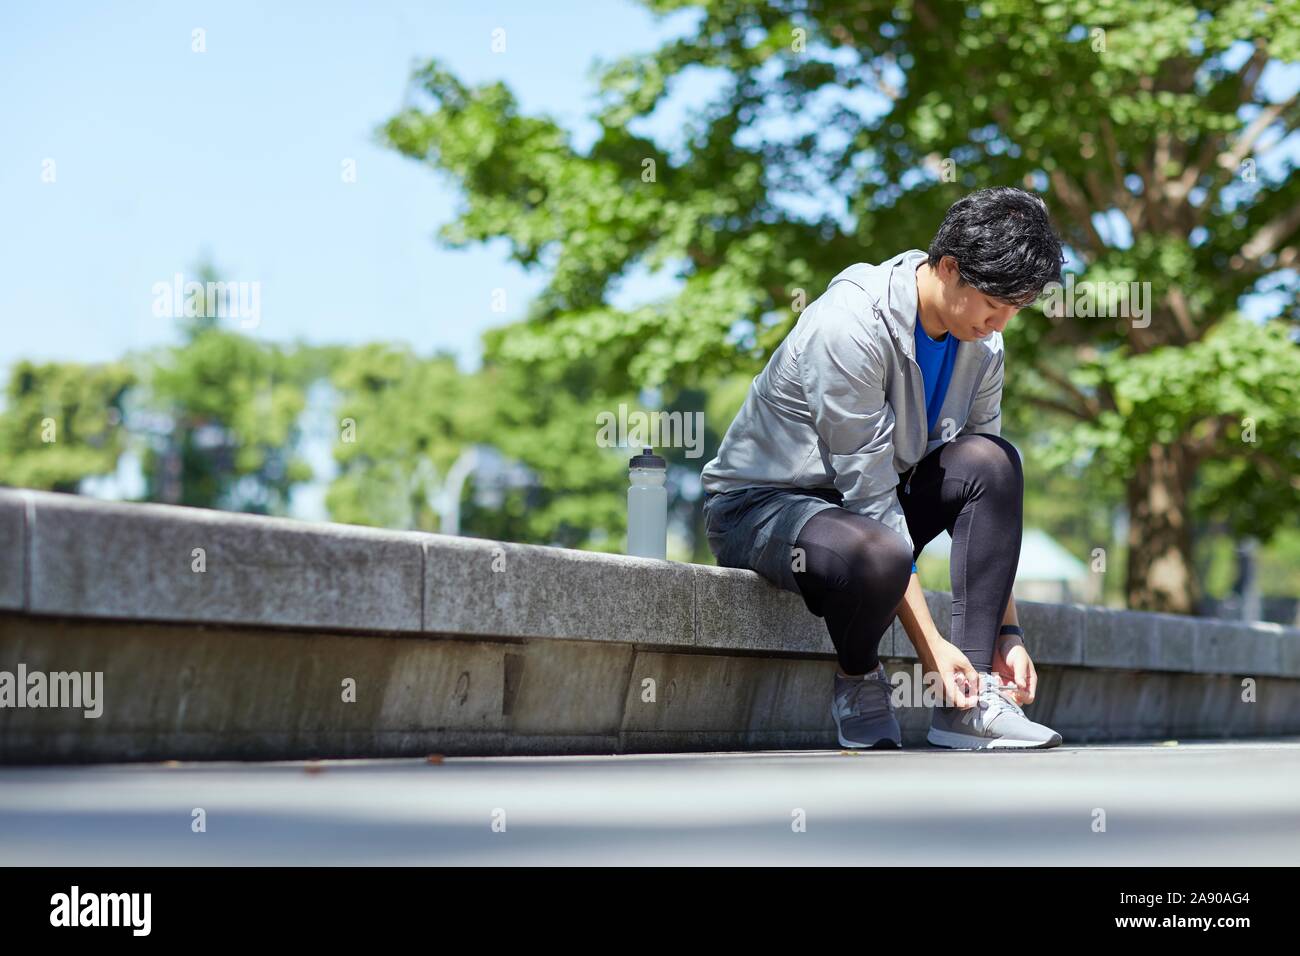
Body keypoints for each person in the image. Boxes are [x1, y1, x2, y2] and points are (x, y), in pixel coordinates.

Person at [700, 186, 1065, 750]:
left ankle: (969, 705)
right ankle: (857, 677)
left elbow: (989, 498)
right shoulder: (850, 324)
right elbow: (870, 502)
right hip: (766, 507)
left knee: (994, 462)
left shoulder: (983, 344)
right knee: (878, 549)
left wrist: (1007, 634)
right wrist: (930, 651)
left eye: (1016, 309)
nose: (1002, 325)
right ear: (949, 267)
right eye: (996, 304)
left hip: (876, 505)